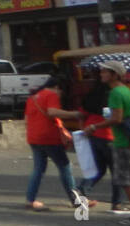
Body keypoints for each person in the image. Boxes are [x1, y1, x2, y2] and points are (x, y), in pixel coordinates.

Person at [24, 75, 85, 211]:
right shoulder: (51, 95)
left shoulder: (32, 97)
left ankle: (30, 199)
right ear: (57, 87)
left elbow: (26, 120)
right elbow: (52, 112)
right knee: (65, 168)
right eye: (61, 91)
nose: (60, 94)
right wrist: (74, 114)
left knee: (38, 169)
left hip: (34, 137)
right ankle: (76, 201)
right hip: (49, 138)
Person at [77, 77, 118, 208]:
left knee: (99, 169)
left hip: (92, 135)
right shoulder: (113, 97)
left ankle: (82, 190)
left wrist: (83, 129)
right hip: (109, 135)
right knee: (117, 172)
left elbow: (81, 114)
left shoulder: (91, 96)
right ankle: (117, 203)